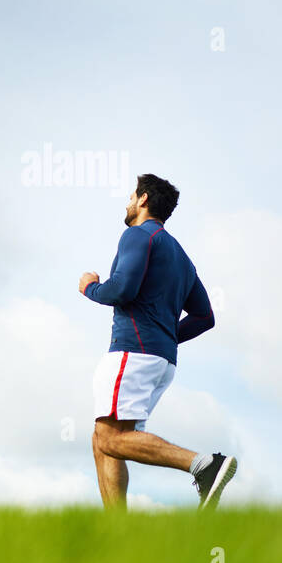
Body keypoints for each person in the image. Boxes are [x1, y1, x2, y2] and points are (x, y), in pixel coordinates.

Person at [78, 173, 237, 511]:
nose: (127, 202)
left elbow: (122, 289)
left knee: (109, 439)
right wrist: (166, 336)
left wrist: (90, 287)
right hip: (159, 360)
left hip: (132, 352)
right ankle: (116, 529)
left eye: (131, 196)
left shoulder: (136, 235)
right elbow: (204, 317)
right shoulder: (181, 256)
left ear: (144, 200)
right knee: (103, 438)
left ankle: (204, 465)